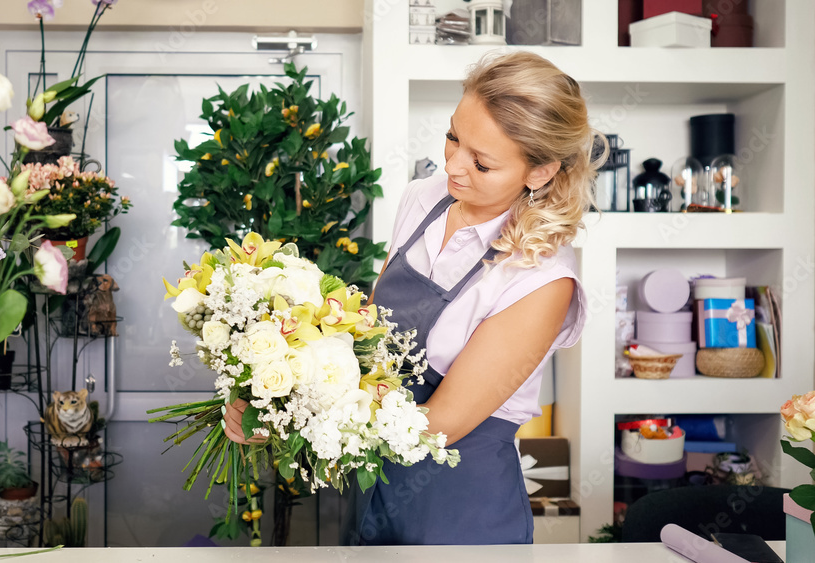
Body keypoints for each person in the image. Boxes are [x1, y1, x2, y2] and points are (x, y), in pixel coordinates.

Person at [224, 50, 602, 545]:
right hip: (372, 486)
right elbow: (366, 340)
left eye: (482, 163)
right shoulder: (423, 199)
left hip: (460, 512)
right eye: (452, 137)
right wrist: (275, 398)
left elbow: (438, 425)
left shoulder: (542, 279)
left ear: (540, 172)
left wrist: (302, 419)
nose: (454, 166)